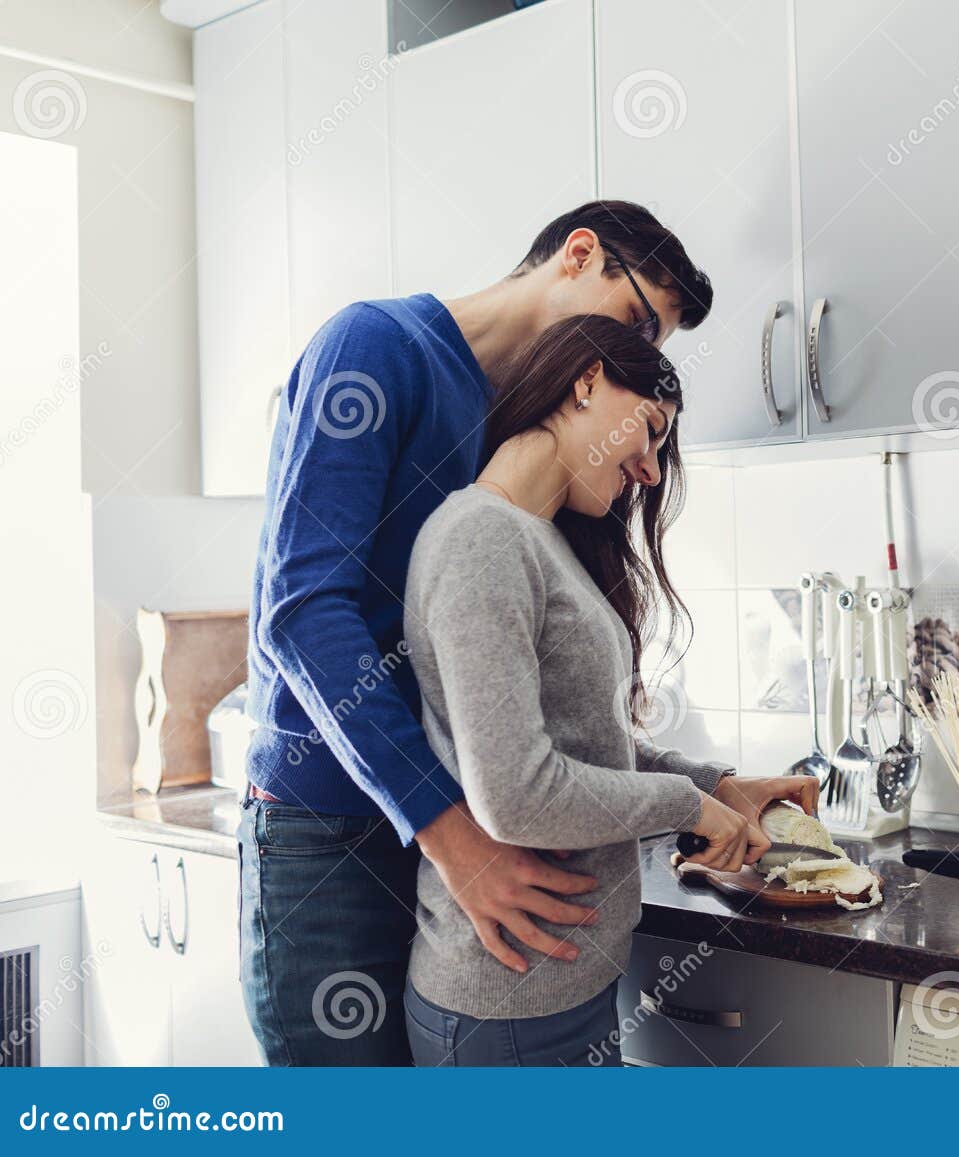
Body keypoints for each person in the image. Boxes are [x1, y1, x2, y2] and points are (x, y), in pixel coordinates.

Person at [240, 201, 809, 1065]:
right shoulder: (375, 348)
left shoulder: (509, 429)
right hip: (333, 829)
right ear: (579, 255)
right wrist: (455, 838)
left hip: (436, 833)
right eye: (634, 323)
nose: (634, 356)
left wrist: (715, 782)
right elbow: (304, 610)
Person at [400, 314, 817, 1066]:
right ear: (586, 380)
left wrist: (720, 783)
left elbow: (589, 745)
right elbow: (519, 794)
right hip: (507, 1009)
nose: (652, 468)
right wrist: (691, 808)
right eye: (651, 429)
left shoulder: (540, 538)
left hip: (557, 992)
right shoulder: (482, 538)